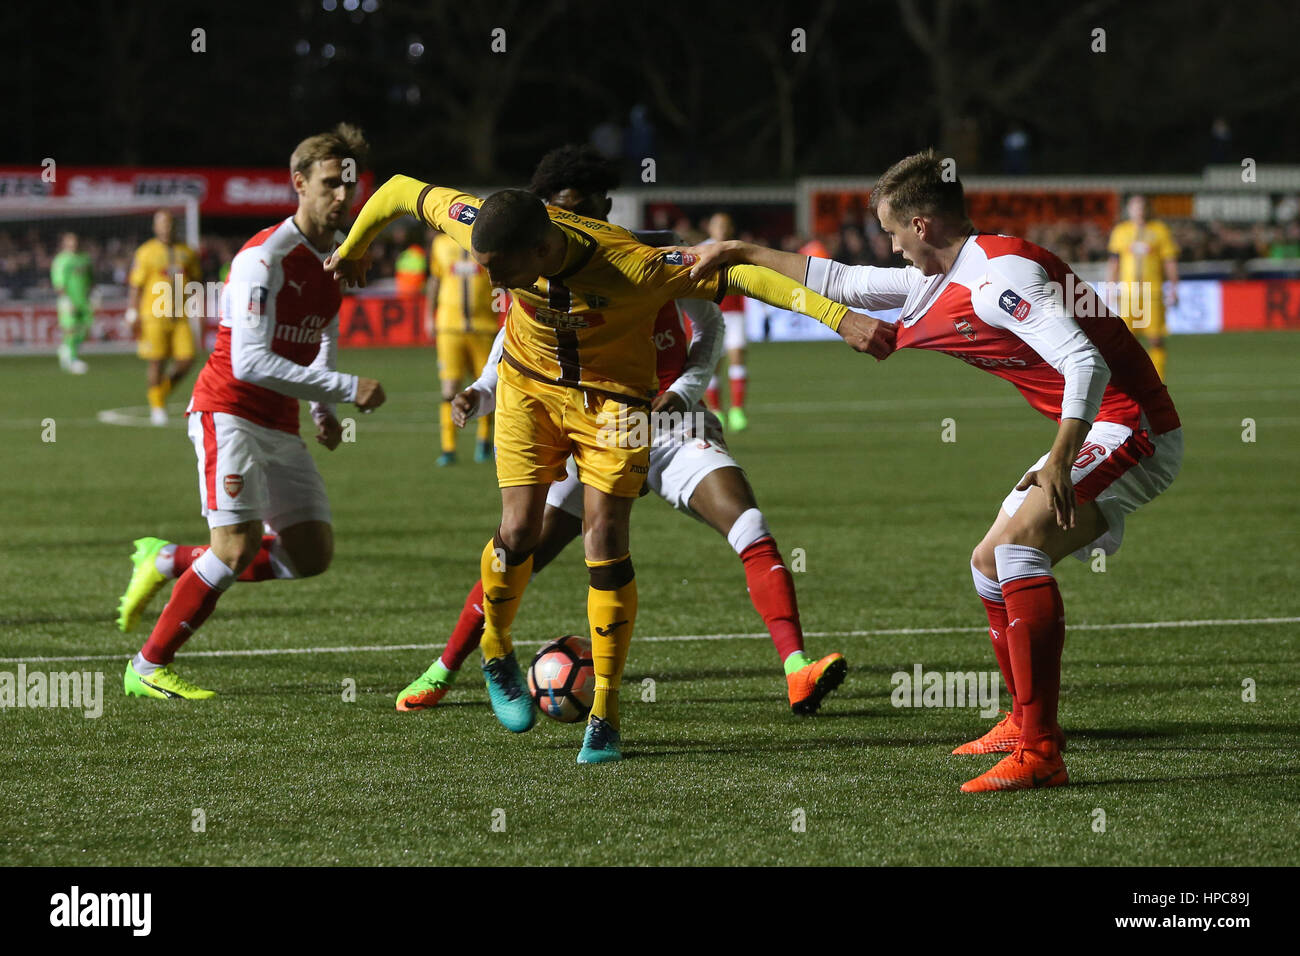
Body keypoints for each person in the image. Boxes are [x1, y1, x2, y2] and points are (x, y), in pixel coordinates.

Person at [685, 149, 1182, 792]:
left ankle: (1042, 751)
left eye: (893, 235)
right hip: (1097, 426)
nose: (891, 250)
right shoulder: (943, 277)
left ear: (921, 226)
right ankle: (1021, 720)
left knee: (1019, 553)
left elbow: (1087, 364)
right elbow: (840, 282)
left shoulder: (1000, 276)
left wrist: (1060, 460)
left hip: (1132, 425)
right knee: (987, 563)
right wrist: (741, 251)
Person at [326, 171, 850, 763]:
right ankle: (483, 654)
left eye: (501, 268)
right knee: (520, 534)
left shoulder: (635, 262)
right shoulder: (482, 222)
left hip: (626, 407)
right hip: (532, 393)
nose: (492, 280)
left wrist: (840, 318)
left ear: (547, 245)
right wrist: (353, 248)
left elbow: (738, 282)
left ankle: (608, 710)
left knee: (616, 539)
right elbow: (398, 190)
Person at [115, 123, 387, 699]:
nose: (343, 197)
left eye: (350, 186)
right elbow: (249, 363)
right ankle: (146, 666)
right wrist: (341, 387)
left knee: (311, 554)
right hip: (228, 411)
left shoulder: (337, 259)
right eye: (330, 185)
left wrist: (320, 409)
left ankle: (169, 559)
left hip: (281, 421)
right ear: (298, 184)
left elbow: (320, 333)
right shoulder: (264, 259)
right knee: (236, 548)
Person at [427, 229, 499, 465]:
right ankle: (448, 448)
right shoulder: (440, 244)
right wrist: (429, 315)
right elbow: (435, 280)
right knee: (449, 388)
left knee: (487, 384)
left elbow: (501, 282)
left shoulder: (488, 242)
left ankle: (484, 443)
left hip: (484, 326)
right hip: (449, 327)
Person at [126, 210, 203, 425]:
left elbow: (196, 281)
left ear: (174, 226)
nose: (165, 228)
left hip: (180, 316)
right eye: (161, 224)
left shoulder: (186, 252)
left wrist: (199, 310)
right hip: (153, 315)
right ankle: (157, 406)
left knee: (187, 359)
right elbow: (136, 285)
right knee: (157, 361)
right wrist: (132, 313)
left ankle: (160, 394)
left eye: (169, 223)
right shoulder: (146, 252)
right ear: (155, 227)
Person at [1106, 195, 1178, 380]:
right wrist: (1110, 287)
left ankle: (1157, 379)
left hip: (1152, 292)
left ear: (1147, 209)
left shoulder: (1159, 230)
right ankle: (1130, 378)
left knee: (1155, 338)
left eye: (1142, 206)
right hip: (1129, 293)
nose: (1139, 210)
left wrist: (1174, 287)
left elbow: (1169, 261)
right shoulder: (1121, 231)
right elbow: (1114, 262)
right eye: (1135, 207)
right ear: (1128, 210)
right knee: (1127, 340)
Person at [702, 211, 750, 431]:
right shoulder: (701, 250)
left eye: (726, 225)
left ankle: (738, 410)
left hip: (735, 313)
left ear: (730, 229)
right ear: (710, 229)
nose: (722, 229)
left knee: (737, 356)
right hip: (711, 314)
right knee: (713, 365)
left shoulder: (738, 250)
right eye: (717, 225)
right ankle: (717, 411)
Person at [50, 232, 93, 374]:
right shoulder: (61, 260)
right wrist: (68, 301)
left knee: (84, 330)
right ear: (64, 243)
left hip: (84, 301)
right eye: (69, 241)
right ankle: (72, 360)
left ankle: (65, 349)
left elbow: (91, 280)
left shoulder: (85, 259)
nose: (72, 244)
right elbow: (59, 284)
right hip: (68, 301)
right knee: (71, 329)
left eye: (74, 241)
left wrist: (94, 296)